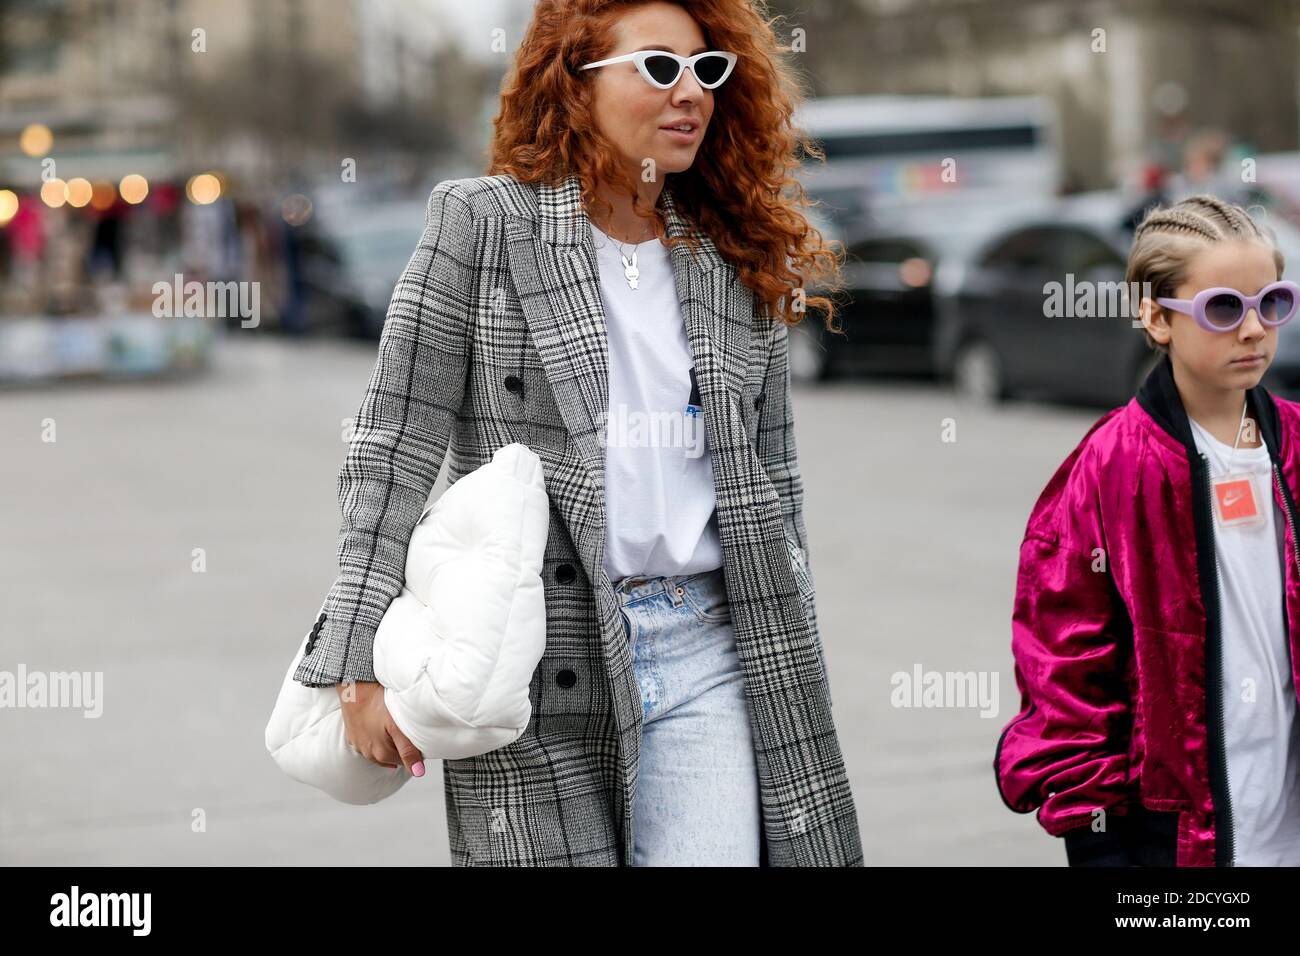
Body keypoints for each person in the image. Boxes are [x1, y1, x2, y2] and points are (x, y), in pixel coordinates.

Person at [291, 0, 862, 867]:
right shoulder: (483, 225)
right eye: (659, 68)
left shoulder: (733, 256)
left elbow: (776, 487)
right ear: (576, 82)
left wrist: (791, 657)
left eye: (707, 71)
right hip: (534, 659)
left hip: (710, 646)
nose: (690, 95)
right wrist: (355, 660)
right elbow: (393, 444)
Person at [995, 194, 1300, 866]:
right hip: (1178, 848)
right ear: (1156, 317)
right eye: (1224, 308)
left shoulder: (1298, 448)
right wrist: (1100, 843)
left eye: (1272, 302)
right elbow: (1066, 673)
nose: (1254, 330)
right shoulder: (1110, 468)